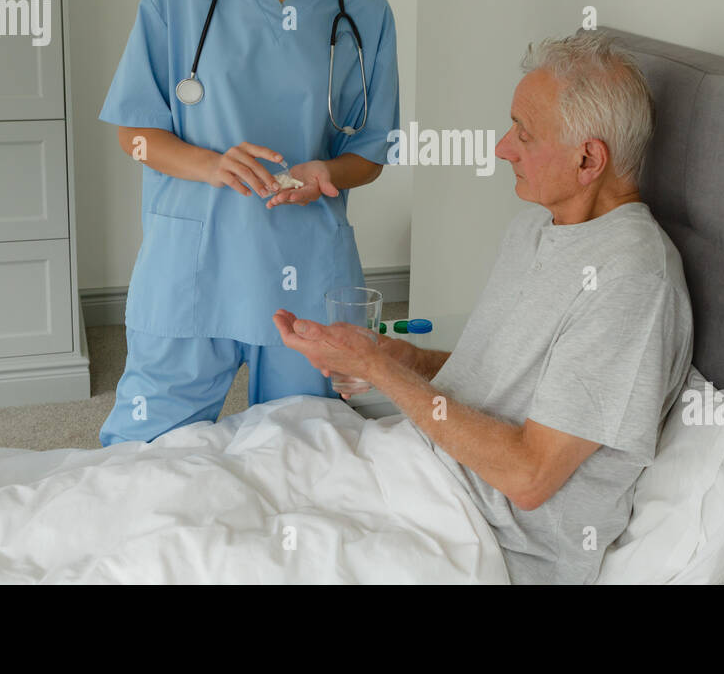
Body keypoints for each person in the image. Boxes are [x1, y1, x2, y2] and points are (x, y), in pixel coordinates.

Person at [275, 31, 693, 584]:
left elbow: (529, 476)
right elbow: (502, 380)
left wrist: (378, 371)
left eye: (524, 133)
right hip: (419, 470)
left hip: (480, 537)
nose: (502, 147)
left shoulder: (631, 282)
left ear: (588, 158)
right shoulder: (539, 225)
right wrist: (395, 356)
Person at [99, 0, 400, 446]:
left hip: (305, 267)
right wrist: (211, 163)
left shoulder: (365, 11)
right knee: (144, 457)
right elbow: (135, 135)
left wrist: (327, 170)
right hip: (195, 259)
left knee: (301, 455)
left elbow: (371, 154)